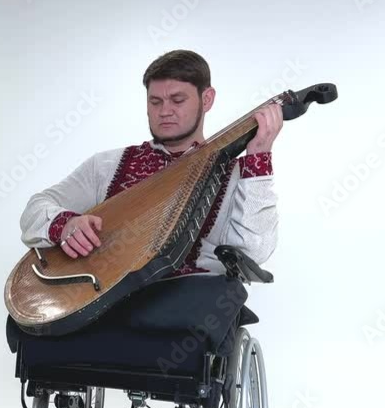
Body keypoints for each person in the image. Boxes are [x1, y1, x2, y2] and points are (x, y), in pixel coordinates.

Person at [18, 49, 282, 278]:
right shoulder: (107, 166)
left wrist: (258, 158)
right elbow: (34, 210)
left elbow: (254, 252)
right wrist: (65, 225)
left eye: (177, 100)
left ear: (207, 99)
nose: (164, 111)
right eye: (155, 102)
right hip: (107, 303)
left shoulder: (236, 176)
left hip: (189, 307)